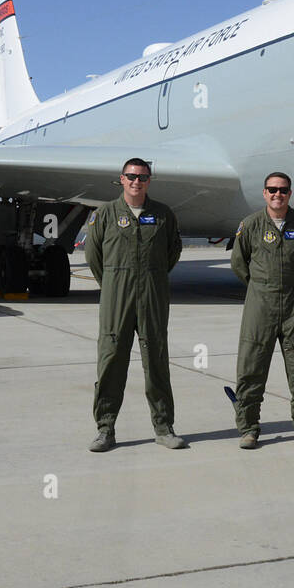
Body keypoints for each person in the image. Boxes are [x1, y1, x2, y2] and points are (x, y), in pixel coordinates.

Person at [85, 157, 184, 452]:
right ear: (122, 179)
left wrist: (148, 279)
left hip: (153, 297)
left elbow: (171, 253)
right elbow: (94, 257)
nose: (136, 181)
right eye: (131, 176)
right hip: (117, 299)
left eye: (142, 177)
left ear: (149, 180)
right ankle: (105, 428)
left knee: (157, 362)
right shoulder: (104, 214)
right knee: (111, 361)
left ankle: (164, 428)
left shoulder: (163, 215)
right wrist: (116, 283)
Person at [230, 172, 294, 449]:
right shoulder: (250, 224)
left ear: (290, 193)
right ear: (264, 193)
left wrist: (288, 283)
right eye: (272, 189)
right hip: (260, 303)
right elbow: (239, 263)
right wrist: (262, 286)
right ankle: (248, 428)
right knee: (252, 366)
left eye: (283, 190)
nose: (277, 194)